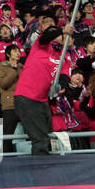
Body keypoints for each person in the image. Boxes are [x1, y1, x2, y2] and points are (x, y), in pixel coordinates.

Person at [14, 25, 64, 155]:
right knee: (40, 140)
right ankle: (41, 166)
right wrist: (61, 30)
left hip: (43, 100)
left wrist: (58, 88)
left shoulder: (62, 55)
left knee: (49, 138)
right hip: (27, 96)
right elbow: (45, 38)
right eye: (53, 33)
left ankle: (47, 164)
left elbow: (64, 77)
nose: (56, 35)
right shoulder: (40, 46)